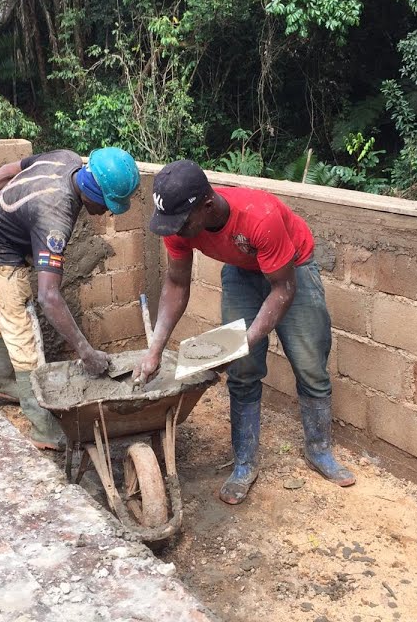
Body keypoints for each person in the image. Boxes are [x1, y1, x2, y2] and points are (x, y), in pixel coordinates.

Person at [133, 160, 354, 502]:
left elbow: (282, 290)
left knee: (310, 365)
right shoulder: (179, 225)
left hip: (292, 270)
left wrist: (244, 341)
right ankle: (245, 463)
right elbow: (176, 283)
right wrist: (154, 350)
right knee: (243, 371)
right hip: (242, 269)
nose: (174, 230)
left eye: (181, 223)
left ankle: (319, 450)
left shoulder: (258, 216)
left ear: (207, 207)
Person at [0, 147, 141, 449]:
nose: (109, 212)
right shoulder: (55, 217)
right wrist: (85, 351)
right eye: (108, 204)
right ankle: (43, 427)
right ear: (92, 191)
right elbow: (49, 296)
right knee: (23, 329)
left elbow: (4, 173)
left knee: (9, 311)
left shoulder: (67, 159)